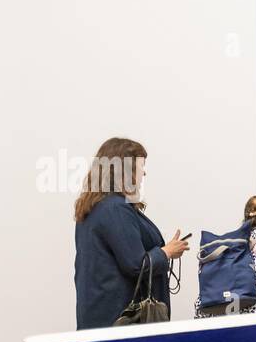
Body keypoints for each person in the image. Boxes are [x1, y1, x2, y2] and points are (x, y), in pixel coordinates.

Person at [74, 137, 188, 329]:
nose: (144, 173)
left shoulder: (94, 207)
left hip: (100, 319)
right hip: (120, 323)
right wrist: (167, 252)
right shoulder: (115, 208)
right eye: (140, 166)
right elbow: (136, 265)